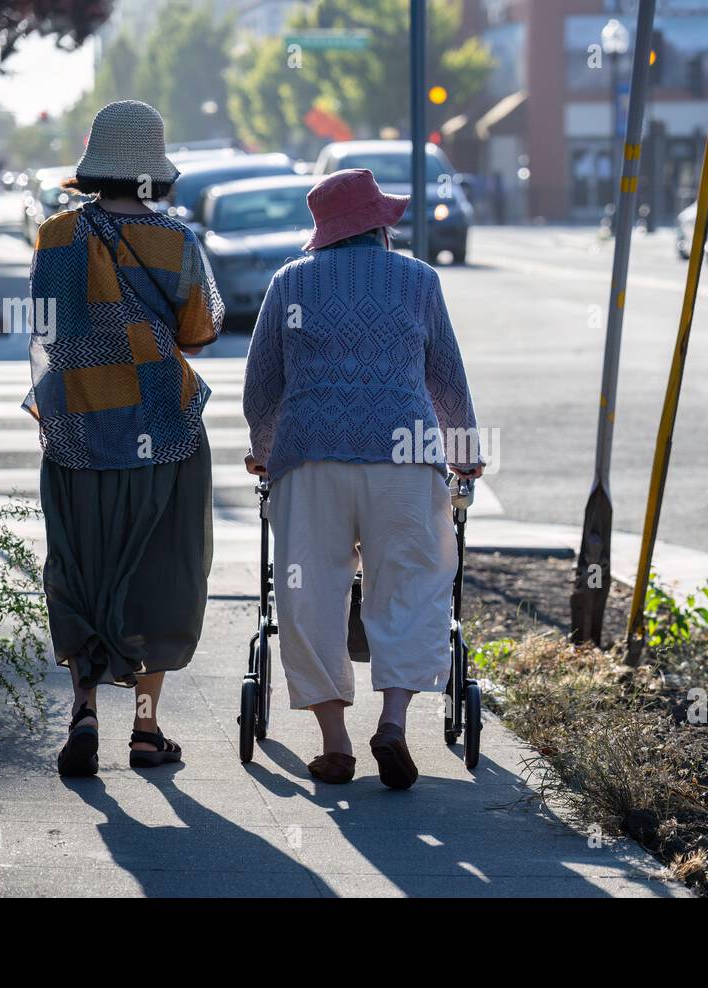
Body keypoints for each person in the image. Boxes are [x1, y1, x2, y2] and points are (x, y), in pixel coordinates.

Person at [243, 168, 484, 790]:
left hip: (311, 457)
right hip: (403, 456)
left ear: (324, 233)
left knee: (310, 593)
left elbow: (263, 383)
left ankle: (334, 744)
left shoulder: (289, 281)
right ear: (380, 227)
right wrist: (464, 450)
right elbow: (446, 378)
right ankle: (395, 724)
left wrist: (265, 451)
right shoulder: (418, 281)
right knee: (411, 583)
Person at [22, 100, 224, 777]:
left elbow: (47, 329)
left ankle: (81, 712)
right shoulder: (177, 241)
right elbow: (199, 329)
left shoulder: (53, 236)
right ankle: (145, 729)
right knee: (162, 571)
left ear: (94, 166)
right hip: (161, 427)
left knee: (79, 568)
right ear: (153, 171)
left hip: (78, 427)